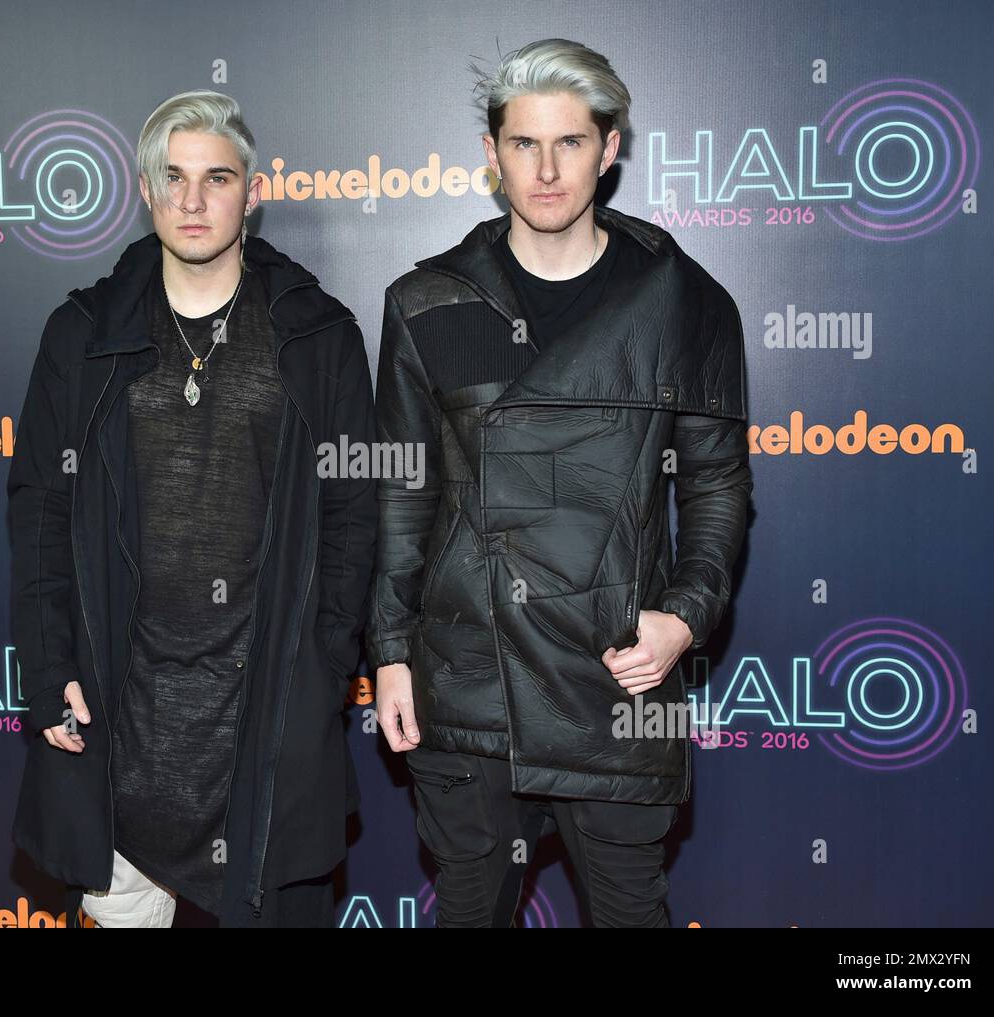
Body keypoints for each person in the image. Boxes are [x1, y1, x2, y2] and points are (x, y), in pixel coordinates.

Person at [367, 39, 753, 928]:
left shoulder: (684, 302)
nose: (546, 171)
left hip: (617, 678)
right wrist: (390, 651)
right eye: (524, 145)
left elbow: (717, 486)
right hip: (467, 676)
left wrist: (686, 614)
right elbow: (399, 490)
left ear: (610, 149)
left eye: (571, 143)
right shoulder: (430, 303)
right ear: (492, 154)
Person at [6, 90, 377, 927]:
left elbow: (356, 509)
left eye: (217, 178)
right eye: (172, 178)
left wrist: (324, 659)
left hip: (265, 716)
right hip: (120, 719)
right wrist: (46, 668)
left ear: (253, 191)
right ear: (145, 190)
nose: (193, 200)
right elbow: (40, 512)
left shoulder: (316, 336)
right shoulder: (81, 334)